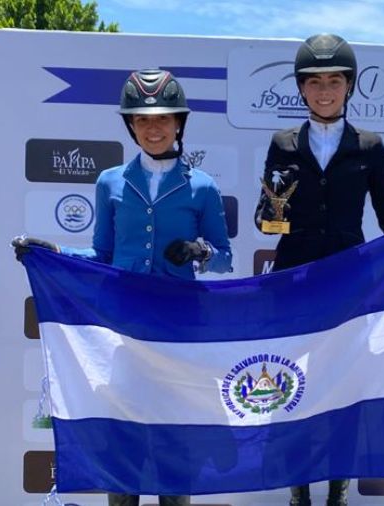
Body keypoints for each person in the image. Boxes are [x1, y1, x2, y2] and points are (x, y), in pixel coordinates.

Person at [14, 68, 233, 506]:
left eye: (163, 119)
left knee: (173, 436)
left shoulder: (202, 186)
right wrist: (53, 251)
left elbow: (225, 258)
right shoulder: (110, 181)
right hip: (124, 325)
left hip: (176, 328)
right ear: (131, 125)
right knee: (122, 432)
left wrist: (199, 251)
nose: (153, 128)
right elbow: (102, 255)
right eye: (142, 120)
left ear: (179, 123)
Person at [253, 33, 384, 506]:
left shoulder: (369, 144)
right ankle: (299, 492)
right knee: (294, 383)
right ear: (301, 88)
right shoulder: (282, 143)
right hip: (296, 280)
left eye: (334, 81)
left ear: (349, 86)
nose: (324, 91)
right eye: (315, 81)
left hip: (349, 283)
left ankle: (337, 492)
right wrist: (273, 212)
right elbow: (266, 220)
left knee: (344, 385)